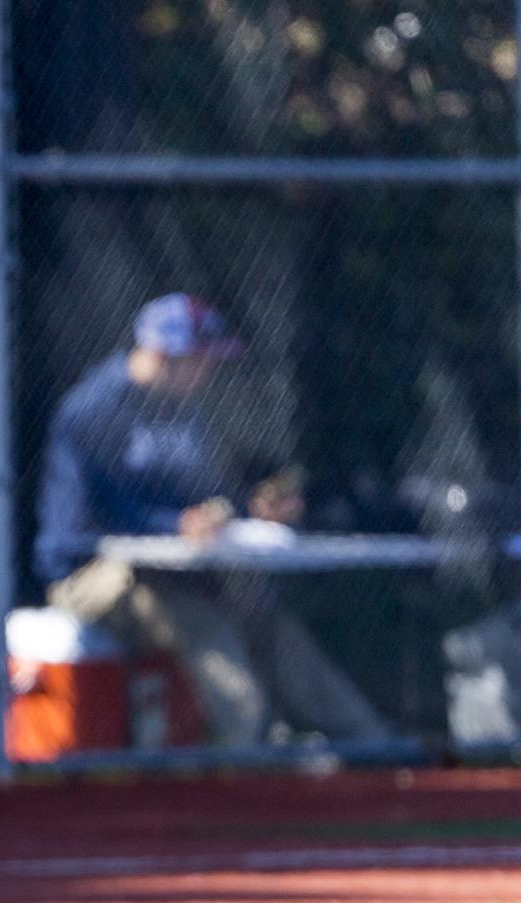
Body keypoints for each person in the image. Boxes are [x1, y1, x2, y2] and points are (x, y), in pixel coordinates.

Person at [33, 293, 389, 748]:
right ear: (164, 354)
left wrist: (247, 509)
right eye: (200, 360)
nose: (208, 372)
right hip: (88, 575)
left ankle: (368, 741)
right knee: (199, 621)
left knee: (259, 610)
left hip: (174, 569)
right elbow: (102, 516)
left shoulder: (186, 414)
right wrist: (174, 526)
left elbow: (200, 502)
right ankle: (256, 748)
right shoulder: (92, 411)